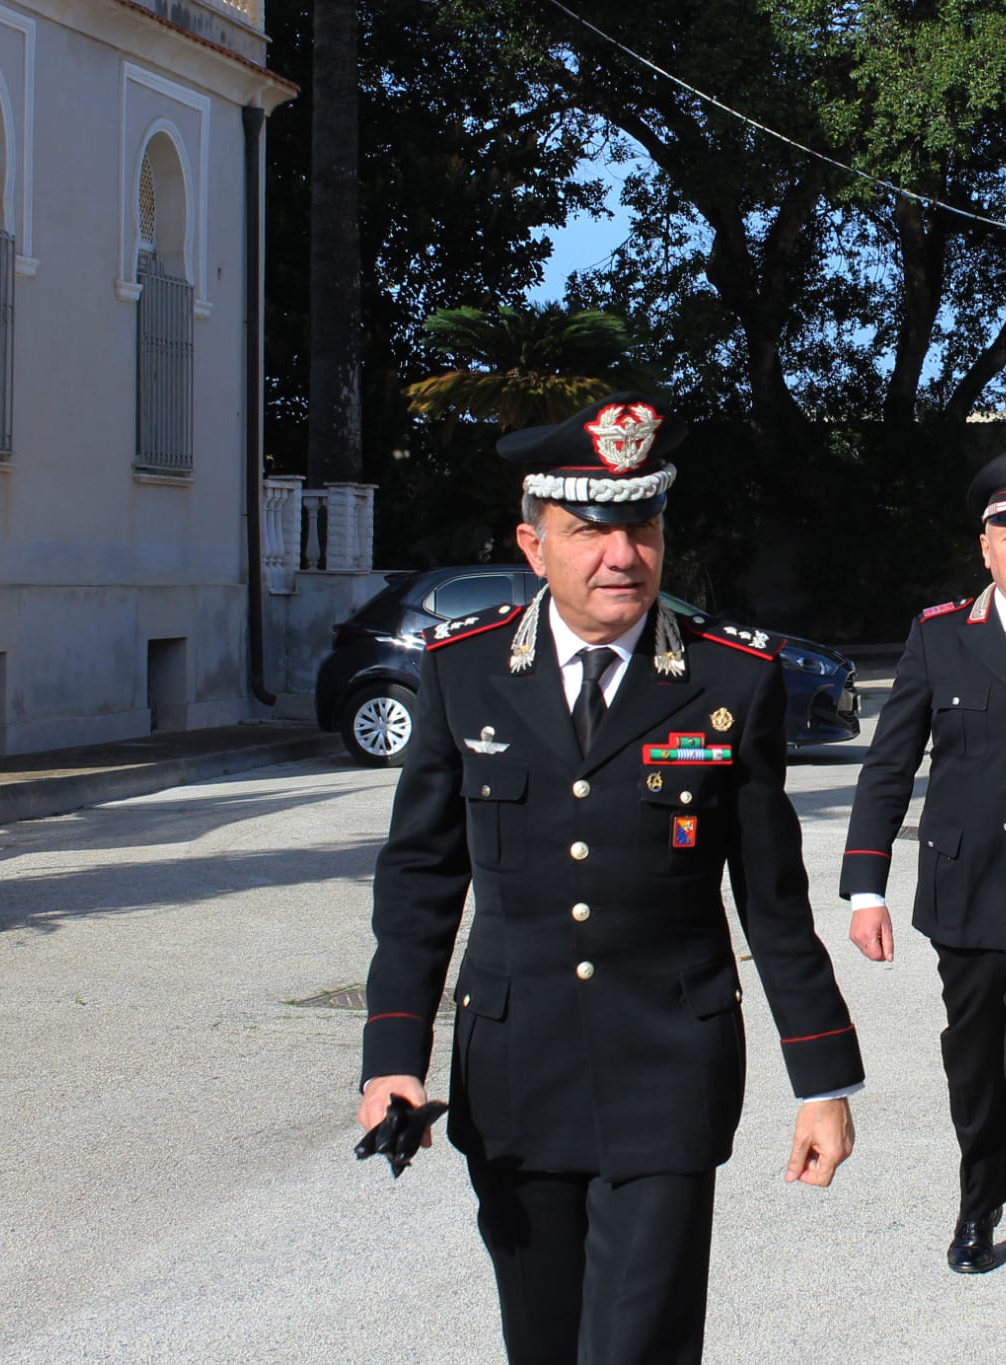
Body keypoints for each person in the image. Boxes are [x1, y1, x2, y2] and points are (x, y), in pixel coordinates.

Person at [356, 393, 865, 1365]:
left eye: (639, 526)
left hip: (668, 1074)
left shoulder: (728, 682)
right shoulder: (464, 674)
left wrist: (822, 1078)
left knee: (639, 1347)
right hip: (515, 1081)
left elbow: (772, 899)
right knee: (542, 1344)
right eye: (589, 531)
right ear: (532, 543)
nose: (619, 554)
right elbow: (421, 877)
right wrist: (391, 1057)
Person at [839, 450, 1006, 1340]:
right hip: (968, 897)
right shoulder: (939, 634)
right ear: (983, 545)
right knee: (976, 1071)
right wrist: (865, 884)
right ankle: (981, 1197)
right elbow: (890, 763)